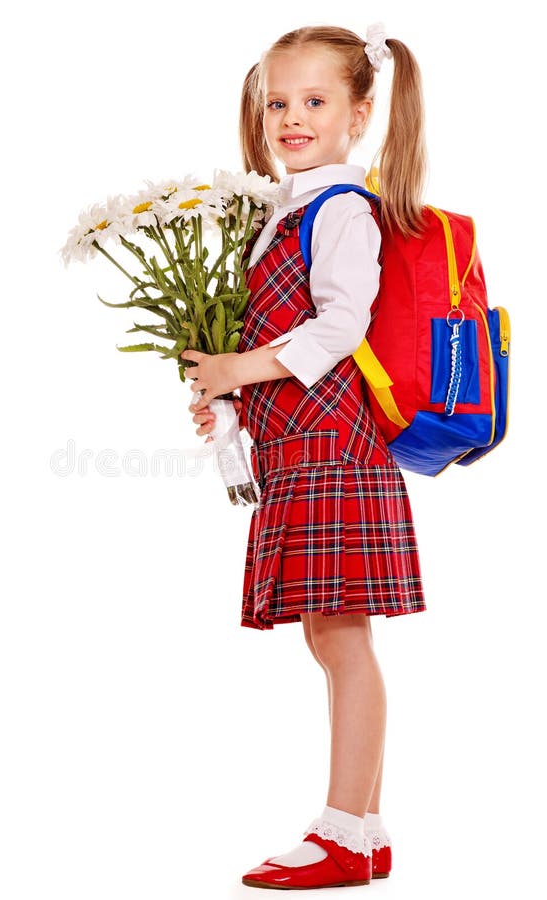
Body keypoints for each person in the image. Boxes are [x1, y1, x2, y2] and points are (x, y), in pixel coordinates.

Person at [180, 22, 427, 891]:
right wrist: (229, 398)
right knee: (332, 638)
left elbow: (339, 327)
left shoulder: (343, 209)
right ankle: (365, 830)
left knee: (342, 640)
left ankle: (343, 834)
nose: (291, 118)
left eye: (314, 101)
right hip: (298, 450)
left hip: (333, 452)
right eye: (277, 102)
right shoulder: (280, 215)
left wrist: (239, 368)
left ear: (358, 114)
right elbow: (282, 333)